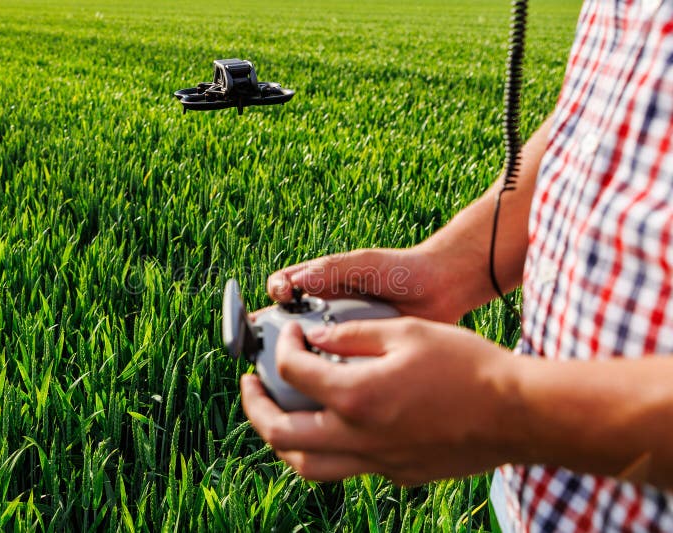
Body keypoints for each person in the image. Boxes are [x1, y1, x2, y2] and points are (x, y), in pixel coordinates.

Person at [240, 1, 673, 531]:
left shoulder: (513, 417)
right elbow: (615, 110)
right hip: (534, 499)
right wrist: (451, 267)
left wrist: (510, 409)